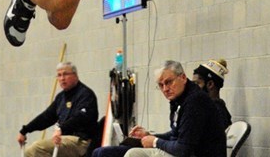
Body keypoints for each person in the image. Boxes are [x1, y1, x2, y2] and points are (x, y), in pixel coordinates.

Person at [92, 61, 224, 157]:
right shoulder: (179, 99)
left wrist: (155, 141)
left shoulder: (195, 101)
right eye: (161, 85)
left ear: (183, 77)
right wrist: (149, 136)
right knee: (101, 152)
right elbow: (176, 134)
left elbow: (183, 149)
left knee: (132, 154)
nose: (165, 89)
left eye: (169, 82)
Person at [17, 62, 98, 157]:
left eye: (65, 74)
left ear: (75, 75)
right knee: (28, 153)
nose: (62, 78)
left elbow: (81, 117)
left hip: (80, 141)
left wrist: (61, 129)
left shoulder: (86, 94)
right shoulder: (60, 97)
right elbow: (46, 117)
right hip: (63, 139)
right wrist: (24, 130)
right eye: (59, 75)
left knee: (37, 148)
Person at [191, 59, 231, 131]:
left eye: (197, 83)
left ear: (210, 84)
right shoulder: (204, 107)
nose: (193, 88)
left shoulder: (216, 112)